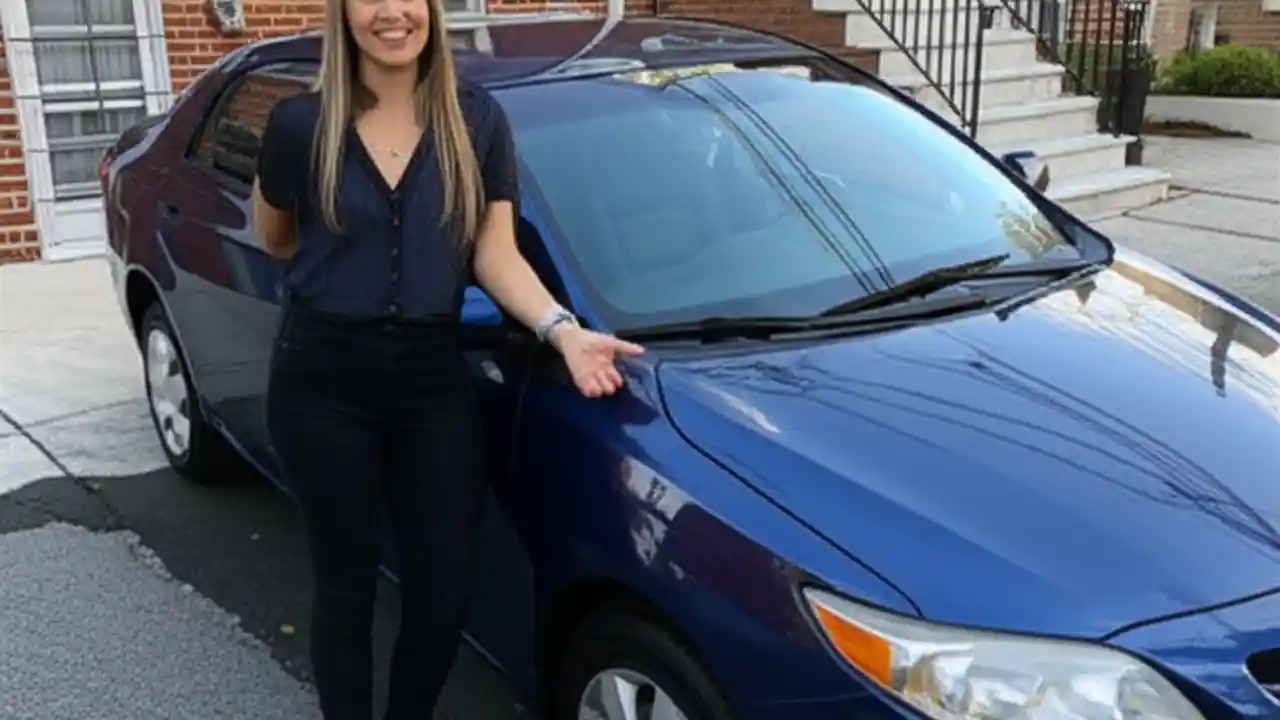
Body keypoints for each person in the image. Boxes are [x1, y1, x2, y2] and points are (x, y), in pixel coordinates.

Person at [250, 0, 645, 717]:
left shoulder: (477, 120)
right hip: (322, 382)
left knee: (440, 597)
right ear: (343, 13)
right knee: (346, 591)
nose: (391, 13)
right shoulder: (298, 126)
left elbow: (494, 254)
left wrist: (563, 329)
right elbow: (277, 237)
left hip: (431, 385)